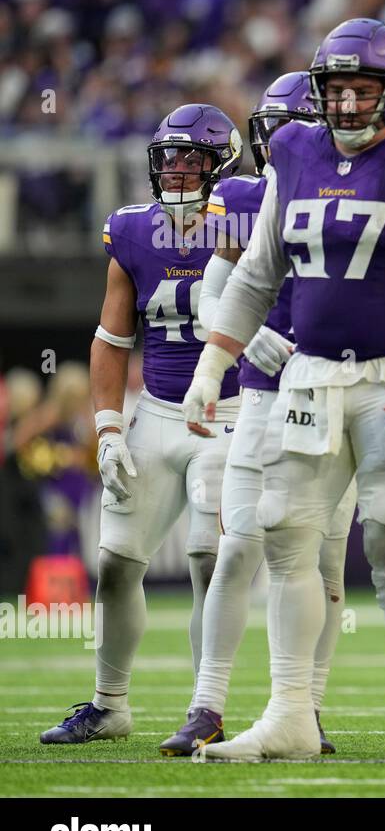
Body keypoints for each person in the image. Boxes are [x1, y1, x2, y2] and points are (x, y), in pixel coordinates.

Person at [183, 18, 385, 761]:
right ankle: (291, 711)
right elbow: (257, 275)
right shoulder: (292, 152)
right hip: (310, 376)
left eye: (363, 89)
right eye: (336, 89)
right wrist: (209, 367)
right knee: (287, 536)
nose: (349, 104)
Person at [160, 72, 357, 757]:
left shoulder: (360, 191)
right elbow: (210, 297)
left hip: (334, 395)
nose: (276, 140)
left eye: (289, 125)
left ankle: (308, 709)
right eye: (269, 126)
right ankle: (207, 705)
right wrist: (243, 337)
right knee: (236, 549)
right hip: (261, 397)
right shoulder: (241, 197)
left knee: (325, 565)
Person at [40, 104, 243, 744]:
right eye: (170, 159)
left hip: (230, 413)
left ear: (222, 167)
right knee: (116, 562)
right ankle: (110, 704)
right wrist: (106, 426)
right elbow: (110, 335)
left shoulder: (246, 220)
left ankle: (204, 706)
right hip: (156, 409)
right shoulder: (130, 231)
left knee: (210, 559)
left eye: (193, 160)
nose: (179, 171)